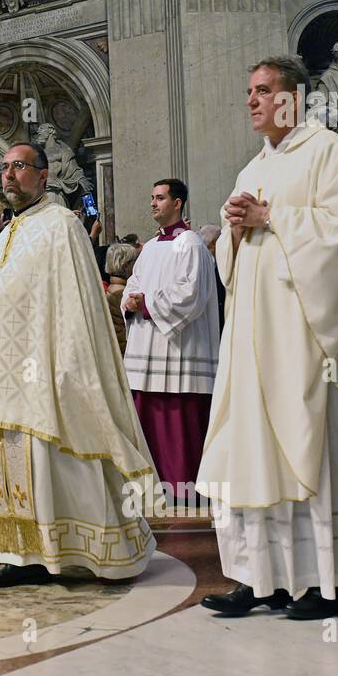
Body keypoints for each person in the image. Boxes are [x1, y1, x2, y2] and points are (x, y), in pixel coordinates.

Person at [197, 54, 338, 621]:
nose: (252, 100)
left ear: (294, 97)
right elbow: (231, 269)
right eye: (249, 91)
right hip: (252, 343)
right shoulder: (249, 169)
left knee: (309, 449)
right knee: (254, 454)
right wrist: (233, 233)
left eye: (263, 90)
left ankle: (329, 582)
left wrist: (273, 217)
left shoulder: (326, 152)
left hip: (309, 341)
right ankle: (260, 578)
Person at [0, 142, 158, 588]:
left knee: (58, 458)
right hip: (4, 375)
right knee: (14, 463)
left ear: (44, 173)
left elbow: (77, 302)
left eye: (20, 166)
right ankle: (20, 555)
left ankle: (91, 549)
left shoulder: (62, 224)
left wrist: (67, 363)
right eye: (5, 168)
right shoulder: (3, 236)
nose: (10, 175)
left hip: (45, 365)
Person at [122, 178, 219, 497]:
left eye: (160, 198)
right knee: (146, 416)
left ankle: (184, 488)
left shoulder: (190, 244)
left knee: (179, 421)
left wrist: (146, 303)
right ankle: (150, 485)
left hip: (179, 352)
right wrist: (131, 298)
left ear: (178, 203)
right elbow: (133, 282)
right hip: (147, 350)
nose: (153, 203)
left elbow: (190, 294)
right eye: (151, 197)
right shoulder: (148, 248)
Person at [103, 241, 137, 353]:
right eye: (135, 262)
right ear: (125, 265)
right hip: (124, 351)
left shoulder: (112, 289)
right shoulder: (121, 294)